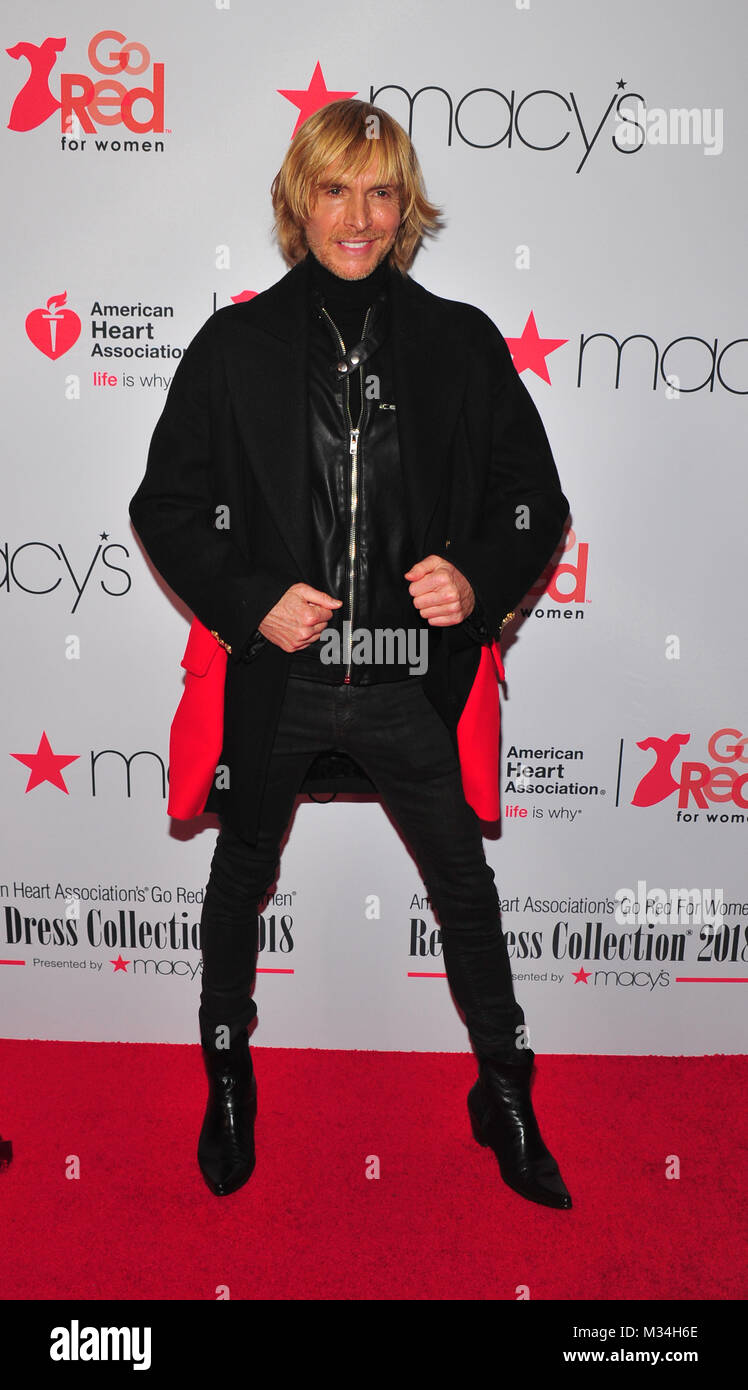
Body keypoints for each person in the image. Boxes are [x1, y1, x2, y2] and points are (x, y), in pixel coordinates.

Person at [129, 99, 572, 1210]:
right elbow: (166, 504)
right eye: (335, 190)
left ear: (404, 207)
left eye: (380, 192)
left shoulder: (459, 342)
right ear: (300, 201)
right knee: (238, 883)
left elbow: (535, 502)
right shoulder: (234, 346)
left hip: (406, 682)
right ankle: (227, 1077)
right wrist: (248, 599)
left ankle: (505, 1091)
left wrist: (473, 573)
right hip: (278, 682)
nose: (358, 217)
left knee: (465, 894)